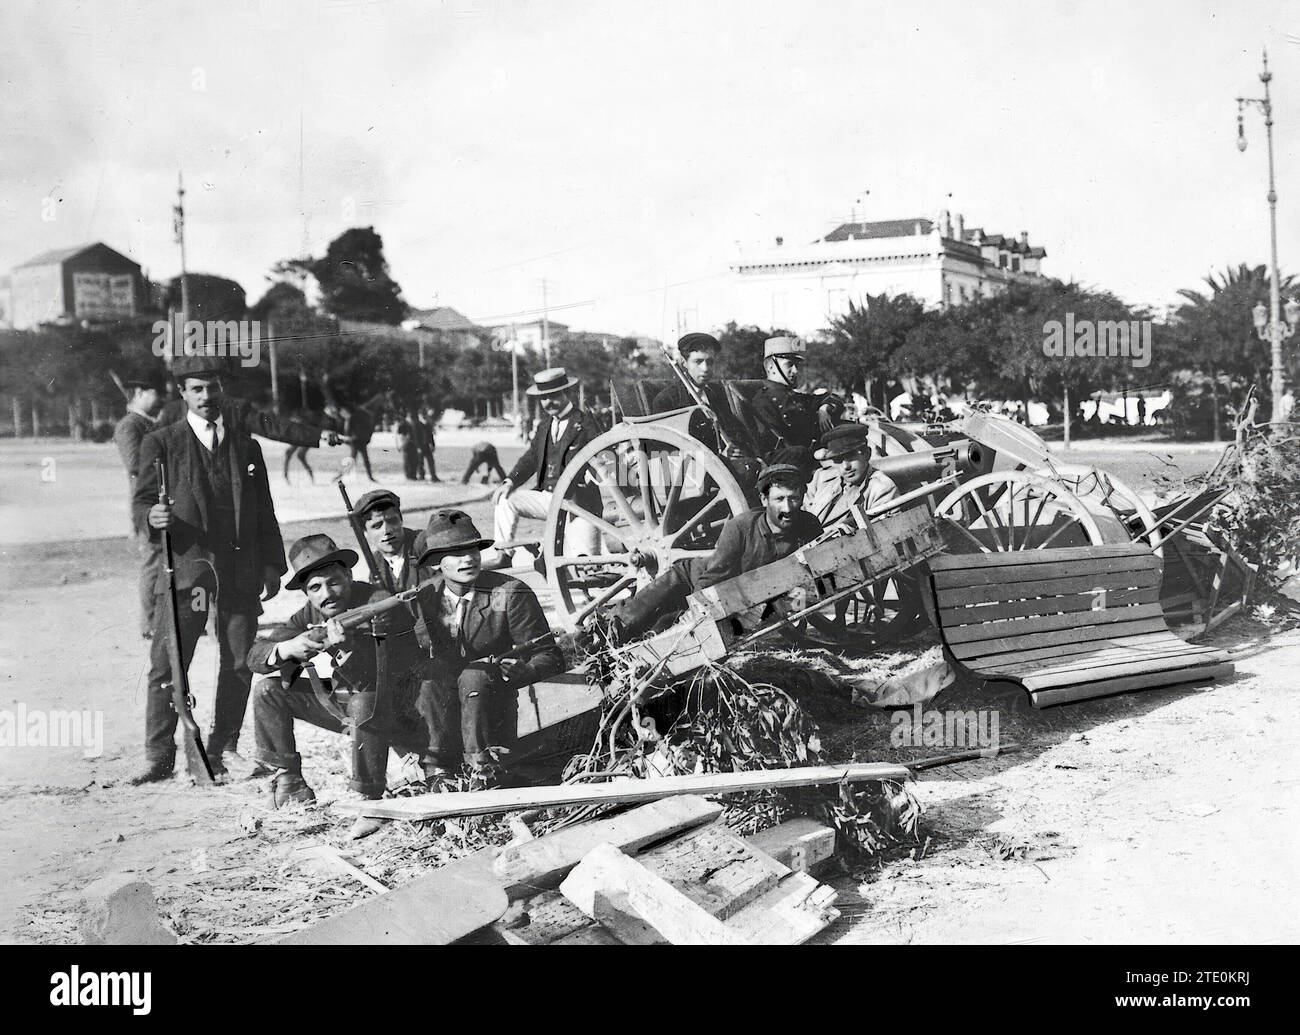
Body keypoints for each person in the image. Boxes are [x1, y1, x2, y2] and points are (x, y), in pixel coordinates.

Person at [131, 354, 286, 783]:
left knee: (238, 662)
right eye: (197, 388)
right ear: (182, 393)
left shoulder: (246, 445)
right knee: (169, 663)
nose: (207, 396)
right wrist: (152, 518)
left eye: (213, 386)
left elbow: (265, 511)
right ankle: (159, 756)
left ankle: (222, 748)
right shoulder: (161, 443)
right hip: (187, 570)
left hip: (239, 570)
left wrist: (273, 563)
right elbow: (142, 502)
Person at [246, 535, 431, 837]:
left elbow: (382, 679)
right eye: (315, 588)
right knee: (269, 690)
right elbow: (255, 655)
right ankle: (290, 783)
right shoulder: (310, 615)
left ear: (348, 575)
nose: (327, 594)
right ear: (306, 593)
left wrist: (347, 650)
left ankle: (370, 800)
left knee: (363, 702)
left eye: (334, 582)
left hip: (401, 710)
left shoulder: (377, 603)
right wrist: (286, 649)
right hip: (358, 714)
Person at [410, 510, 565, 788]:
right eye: (456, 553)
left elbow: (550, 656)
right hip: (444, 710)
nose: (468, 558)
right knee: (430, 676)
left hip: (496, 704)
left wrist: (524, 671)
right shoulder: (424, 597)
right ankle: (437, 772)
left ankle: (482, 772)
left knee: (474, 675)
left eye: (473, 550)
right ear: (435, 563)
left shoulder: (510, 593)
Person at [594, 464, 823, 644]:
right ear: (764, 500)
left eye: (794, 499)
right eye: (779, 499)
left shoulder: (809, 526)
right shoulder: (741, 528)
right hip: (688, 581)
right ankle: (598, 633)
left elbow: (813, 580)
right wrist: (699, 624)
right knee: (631, 623)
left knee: (659, 629)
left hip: (737, 597)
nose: (788, 508)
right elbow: (711, 581)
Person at [481, 367, 602, 569]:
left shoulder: (585, 422)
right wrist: (510, 481)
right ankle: (503, 553)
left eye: (554, 396)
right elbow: (531, 457)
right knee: (505, 498)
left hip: (577, 503)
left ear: (567, 393)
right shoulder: (544, 425)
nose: (548, 402)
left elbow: (604, 454)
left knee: (588, 564)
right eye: (543, 398)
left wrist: (594, 474)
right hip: (547, 497)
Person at [113, 374, 165, 638]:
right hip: (146, 503)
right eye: (157, 393)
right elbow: (135, 464)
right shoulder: (129, 426)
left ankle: (160, 620)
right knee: (153, 562)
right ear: (140, 393)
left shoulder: (146, 423)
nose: (162, 399)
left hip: (160, 501)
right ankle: (149, 624)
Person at [750, 336, 844, 472]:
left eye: (797, 365)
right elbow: (772, 448)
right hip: (794, 468)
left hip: (817, 457)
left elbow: (832, 398)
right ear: (771, 367)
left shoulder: (796, 397)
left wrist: (825, 408)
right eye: (789, 365)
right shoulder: (762, 401)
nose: (795, 371)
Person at [804, 423, 899, 530]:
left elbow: (882, 534)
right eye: (838, 460)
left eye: (850, 457)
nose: (845, 466)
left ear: (866, 454)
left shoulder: (881, 489)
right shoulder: (821, 479)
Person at [354, 488, 421, 593]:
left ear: (401, 520)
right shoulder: (375, 564)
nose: (387, 530)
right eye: (377, 526)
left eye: (392, 521)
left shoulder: (422, 544)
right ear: (365, 533)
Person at [397, 411, 423, 481]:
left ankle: (409, 475)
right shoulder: (407, 424)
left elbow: (400, 436)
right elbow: (404, 436)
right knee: (411, 461)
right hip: (409, 444)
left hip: (408, 444)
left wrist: (400, 445)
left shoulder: (403, 424)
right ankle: (411, 475)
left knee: (408, 461)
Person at [417, 408, 441, 482]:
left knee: (430, 461)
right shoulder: (418, 424)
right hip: (421, 445)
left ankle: (433, 476)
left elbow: (431, 436)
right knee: (420, 462)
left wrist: (433, 445)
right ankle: (422, 476)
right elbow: (416, 437)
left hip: (427, 445)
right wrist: (418, 447)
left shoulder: (427, 424)